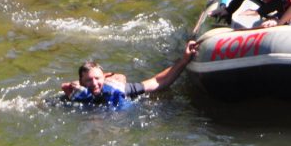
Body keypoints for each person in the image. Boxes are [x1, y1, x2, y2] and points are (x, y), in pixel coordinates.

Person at [61, 40, 198, 108]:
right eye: (89, 80)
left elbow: (158, 81)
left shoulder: (119, 89)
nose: (94, 84)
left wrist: (184, 60)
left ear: (105, 77)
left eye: (97, 78)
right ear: (81, 82)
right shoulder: (75, 96)